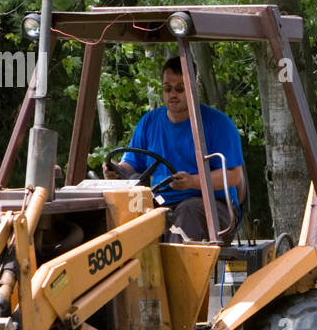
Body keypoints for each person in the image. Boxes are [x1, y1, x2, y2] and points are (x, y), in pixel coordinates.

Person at [104, 56, 246, 244]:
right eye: (167, 88)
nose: (173, 94)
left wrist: (193, 181)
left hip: (213, 207)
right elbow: (131, 164)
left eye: (180, 89)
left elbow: (234, 176)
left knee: (187, 212)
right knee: (120, 211)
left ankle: (180, 272)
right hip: (162, 203)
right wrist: (116, 170)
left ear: (194, 88)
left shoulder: (217, 123)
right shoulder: (149, 122)